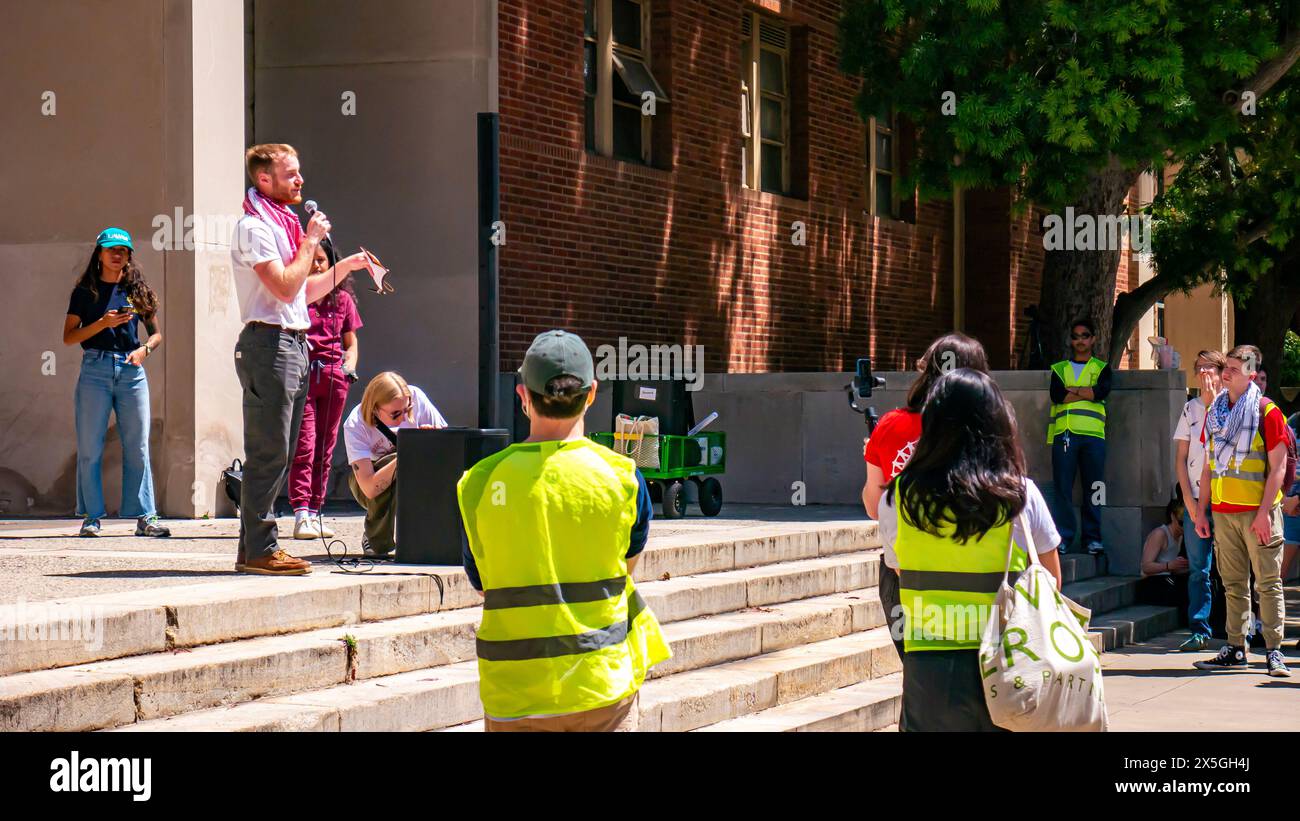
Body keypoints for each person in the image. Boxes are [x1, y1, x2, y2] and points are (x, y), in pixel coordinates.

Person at [457, 330, 671, 731]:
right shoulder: (623, 477)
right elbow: (626, 568)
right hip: (602, 685)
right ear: (591, 394)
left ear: (523, 396)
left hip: (514, 692)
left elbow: (484, 583)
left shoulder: (478, 482)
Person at [880, 368, 1062, 732]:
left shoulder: (897, 498)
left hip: (927, 676)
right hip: (1007, 668)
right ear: (997, 425)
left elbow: (900, 571)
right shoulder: (1021, 496)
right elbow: (1051, 584)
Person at [229, 143, 368, 575]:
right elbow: (286, 288)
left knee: (279, 451)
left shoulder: (282, 224)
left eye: (299, 172)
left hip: (291, 342)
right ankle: (261, 548)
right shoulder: (254, 228)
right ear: (263, 179)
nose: (300, 181)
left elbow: (304, 294)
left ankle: (253, 548)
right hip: (268, 345)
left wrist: (344, 266)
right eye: (290, 174)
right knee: (268, 452)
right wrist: (310, 240)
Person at [862, 332, 990, 657]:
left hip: (904, 569)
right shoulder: (981, 429)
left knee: (920, 679)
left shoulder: (889, 425)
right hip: (970, 566)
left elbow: (875, 506)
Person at [62, 227, 170, 538]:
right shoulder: (85, 292)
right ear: (99, 254)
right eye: (110, 249)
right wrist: (102, 323)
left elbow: (157, 334)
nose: (116, 254)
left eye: (122, 250)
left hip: (130, 369)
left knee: (137, 445)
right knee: (90, 446)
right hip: (94, 368)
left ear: (128, 255)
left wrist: (144, 350)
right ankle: (91, 517)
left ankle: (145, 517)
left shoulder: (137, 290)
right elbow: (69, 337)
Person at [1192, 344, 1290, 677]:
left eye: (1234, 368)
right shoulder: (1216, 412)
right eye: (1226, 368)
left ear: (1251, 372)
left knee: (1268, 583)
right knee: (1233, 584)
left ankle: (1274, 650)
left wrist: (1264, 513)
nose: (1226, 373)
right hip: (1223, 512)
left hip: (1256, 513)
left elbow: (1278, 468)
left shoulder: (1267, 411)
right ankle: (1236, 647)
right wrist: (1200, 511)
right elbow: (1208, 467)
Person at [289, 244, 362, 540]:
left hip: (334, 377)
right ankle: (301, 513)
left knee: (326, 446)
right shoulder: (298, 297)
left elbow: (351, 342)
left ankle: (317, 511)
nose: (318, 266)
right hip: (305, 376)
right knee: (304, 445)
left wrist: (349, 366)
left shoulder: (342, 299)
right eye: (313, 261)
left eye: (323, 261)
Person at [343, 372, 447, 557]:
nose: (403, 418)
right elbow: (368, 487)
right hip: (371, 482)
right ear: (375, 409)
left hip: (417, 474)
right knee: (393, 465)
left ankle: (432, 536)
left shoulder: (417, 397)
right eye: (395, 414)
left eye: (408, 410)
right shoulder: (355, 424)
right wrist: (408, 451)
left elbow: (447, 444)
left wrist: (431, 439)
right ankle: (377, 540)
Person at [1171, 349, 1225, 651]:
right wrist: (1189, 504)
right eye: (1199, 368)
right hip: (1194, 498)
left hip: (1226, 498)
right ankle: (1199, 628)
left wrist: (1215, 401)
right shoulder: (1190, 409)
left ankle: (1238, 627)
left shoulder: (1230, 405)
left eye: (1210, 369)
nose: (1205, 374)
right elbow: (1181, 458)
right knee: (1198, 568)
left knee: (1233, 567)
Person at [1047, 318, 1112, 555]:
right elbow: (1057, 396)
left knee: (1095, 488)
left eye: (1085, 335)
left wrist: (1072, 391)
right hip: (1065, 434)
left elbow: (1101, 391)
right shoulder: (1059, 369)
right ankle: (1062, 538)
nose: (1080, 340)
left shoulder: (1102, 368)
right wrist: (1087, 393)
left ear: (1093, 338)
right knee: (1062, 488)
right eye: (1076, 336)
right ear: (1071, 340)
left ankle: (1093, 538)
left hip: (1094, 436)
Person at [1137, 498, 1189, 617]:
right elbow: (1146, 567)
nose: (1184, 527)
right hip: (1152, 583)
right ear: (1172, 517)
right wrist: (1168, 566)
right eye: (1181, 522)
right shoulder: (1160, 534)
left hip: (1169, 578)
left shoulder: (1182, 536)